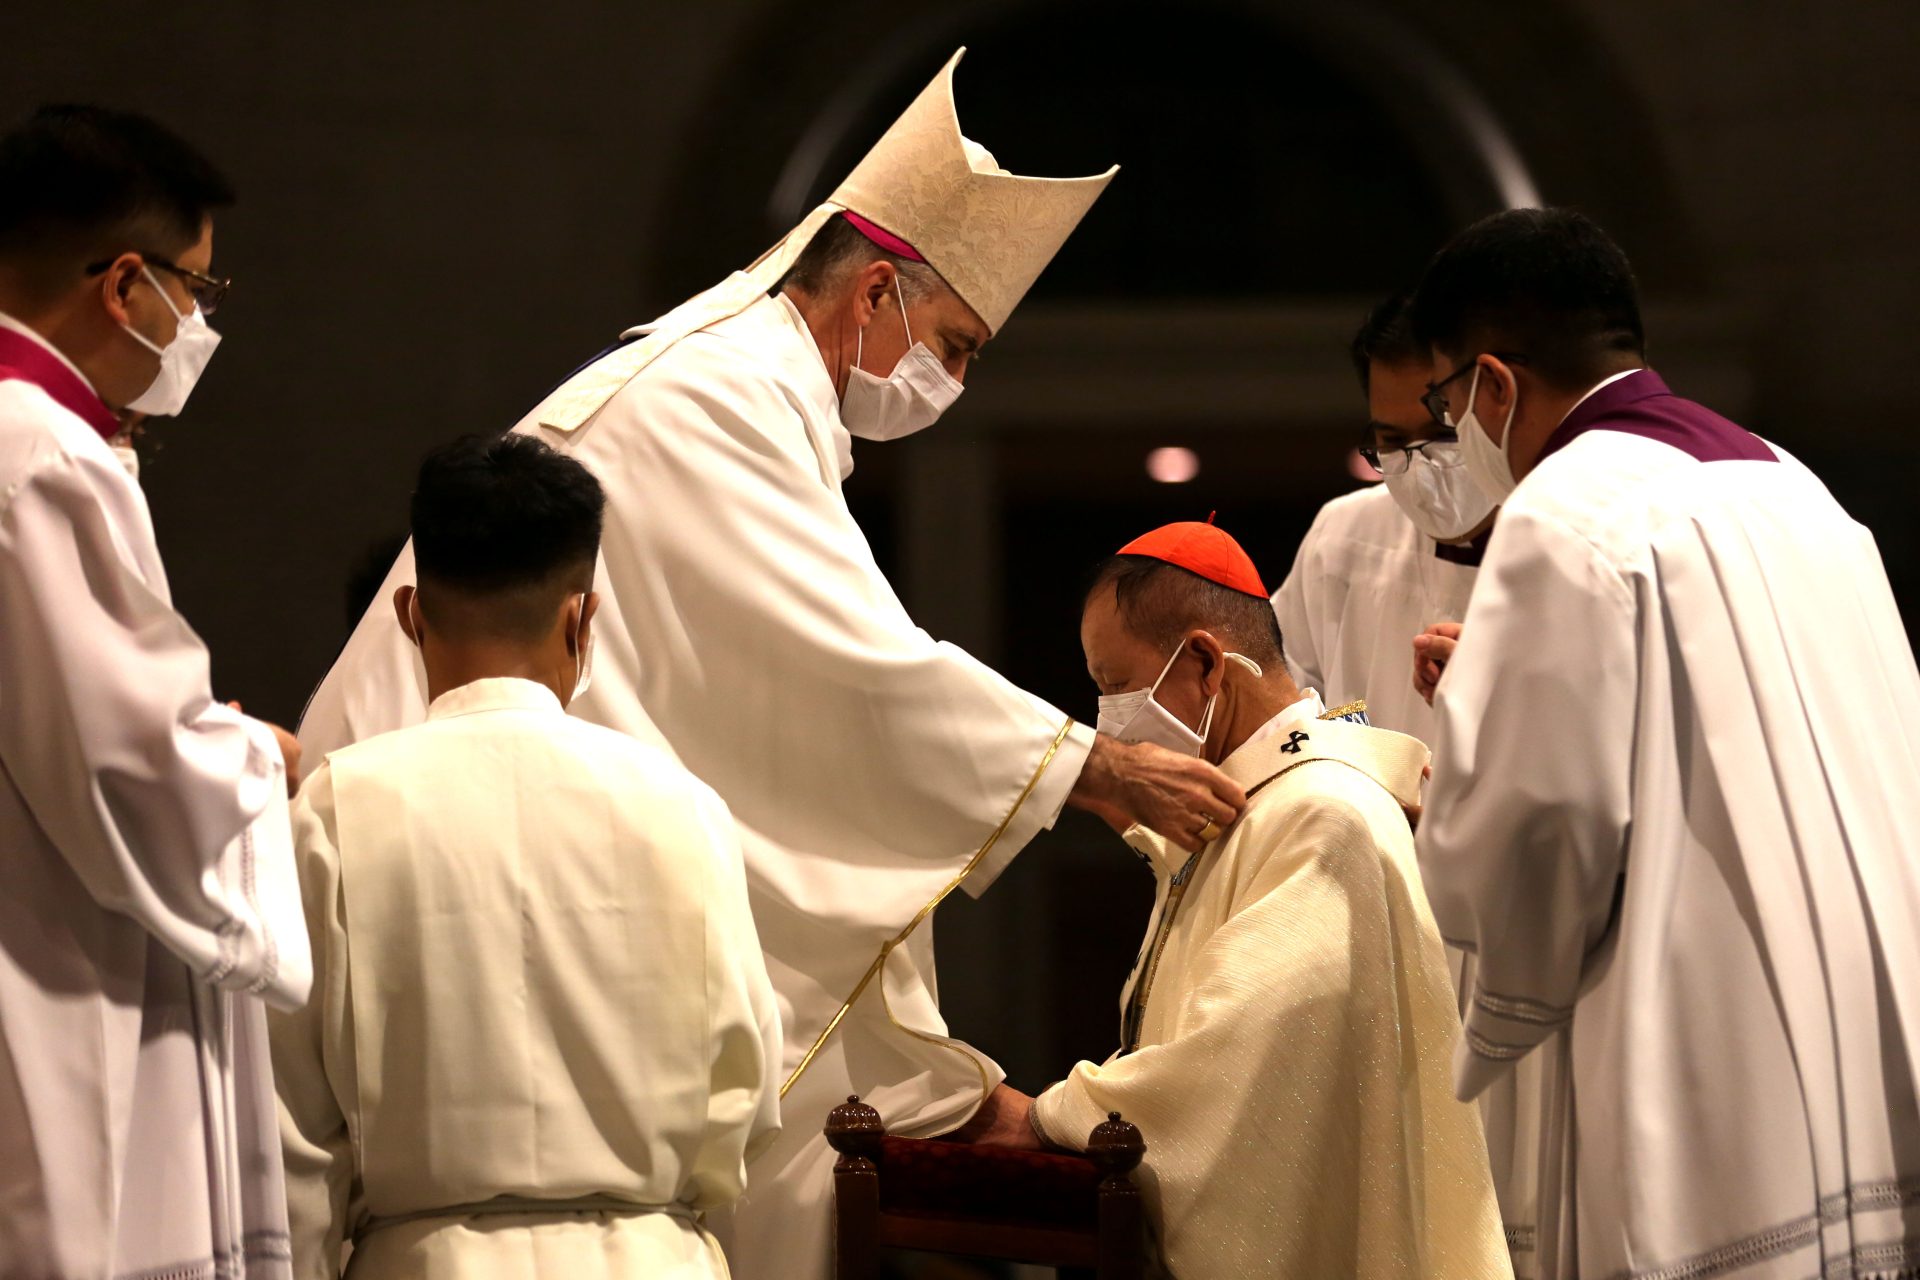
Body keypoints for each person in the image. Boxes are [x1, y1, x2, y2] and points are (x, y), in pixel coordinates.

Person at [296, 50, 1247, 1278]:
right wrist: (1090, 767)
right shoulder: (718, 395)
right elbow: (857, 674)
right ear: (876, 296)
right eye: (953, 343)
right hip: (445, 848)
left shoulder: (746, 390)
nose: (949, 380)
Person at [1410, 207, 1920, 1280]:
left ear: (1493, 385)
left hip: (1701, 1037)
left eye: (1446, 399)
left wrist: (1472, 754)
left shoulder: (1563, 514)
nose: (1453, 429)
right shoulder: (1794, 484)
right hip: (1863, 1011)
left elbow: (1537, 824)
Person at [271, 434, 781, 1279]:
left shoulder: (332, 808)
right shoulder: (685, 808)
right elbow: (751, 1098)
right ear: (582, 617)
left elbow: (293, 1135)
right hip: (651, 1257)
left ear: (408, 616)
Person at [991, 521, 1510, 1279]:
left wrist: (1045, 1116)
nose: (1109, 717)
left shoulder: (1323, 814)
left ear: (1204, 662)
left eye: (1113, 685)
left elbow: (1227, 1076)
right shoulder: (1255, 809)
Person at [0, 104, 310, 1277]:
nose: (201, 325)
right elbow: (127, 759)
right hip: (52, 959)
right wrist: (260, 760)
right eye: (200, 292)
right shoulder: (40, 456)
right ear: (126, 284)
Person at [1272, 291, 1542, 1275]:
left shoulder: (1569, 546)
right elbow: (1282, 712)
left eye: (1430, 436)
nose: (1409, 467)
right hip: (1382, 943)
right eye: (1386, 440)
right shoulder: (1346, 539)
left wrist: (1504, 692)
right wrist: (1355, 764)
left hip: (1527, 954)